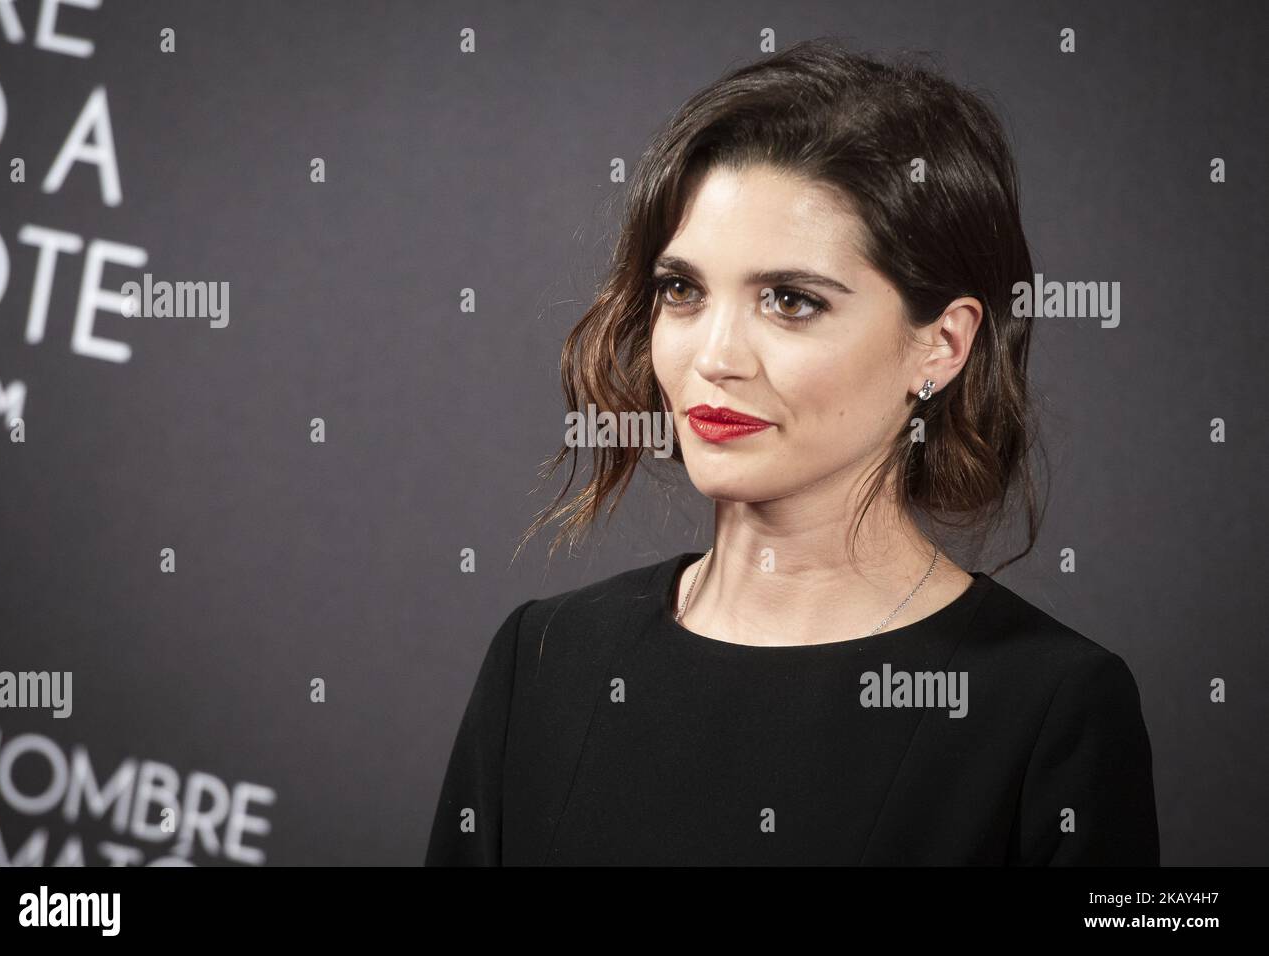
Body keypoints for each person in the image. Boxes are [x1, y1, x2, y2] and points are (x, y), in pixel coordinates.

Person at [424, 38, 1159, 866]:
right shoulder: (544, 660)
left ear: (942, 346)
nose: (716, 356)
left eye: (791, 301)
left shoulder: (1048, 706)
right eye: (682, 290)